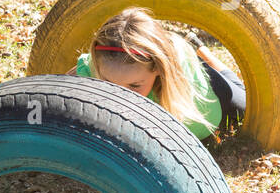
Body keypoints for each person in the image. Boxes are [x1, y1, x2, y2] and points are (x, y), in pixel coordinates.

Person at [71, 7, 245, 138]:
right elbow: (55, 92)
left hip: (198, 79)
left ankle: (201, 49)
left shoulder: (185, 105)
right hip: (164, 56)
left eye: (134, 86)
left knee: (241, 104)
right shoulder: (99, 65)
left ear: (157, 70)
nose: (121, 96)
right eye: (108, 83)